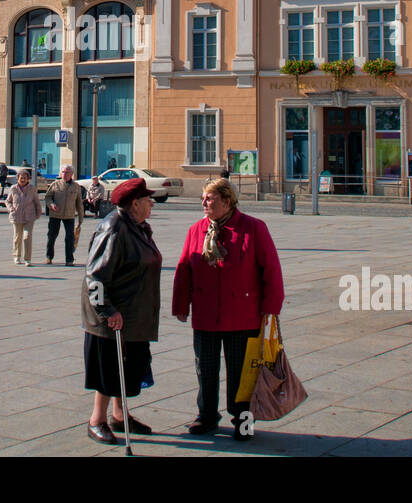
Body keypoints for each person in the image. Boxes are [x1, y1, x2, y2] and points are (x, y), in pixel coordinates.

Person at [172, 179, 285, 440]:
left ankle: (243, 421)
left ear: (227, 201)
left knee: (241, 374)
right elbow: (184, 268)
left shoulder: (253, 228)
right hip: (206, 313)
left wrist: (271, 308)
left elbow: (271, 270)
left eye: (209, 198)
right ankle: (206, 416)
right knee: (205, 369)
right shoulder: (196, 230)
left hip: (241, 315)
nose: (204, 203)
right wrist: (181, 304)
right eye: (203, 198)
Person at [81, 177, 162, 445]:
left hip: (132, 314)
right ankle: (96, 420)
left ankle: (119, 415)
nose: (152, 204)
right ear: (135, 203)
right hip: (112, 317)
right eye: (148, 200)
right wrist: (107, 310)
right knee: (109, 370)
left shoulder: (137, 226)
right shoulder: (114, 228)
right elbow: (95, 276)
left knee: (124, 369)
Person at [44, 164, 85, 266]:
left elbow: (79, 203)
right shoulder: (55, 184)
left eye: (67, 172)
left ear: (71, 174)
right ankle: (49, 256)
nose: (64, 174)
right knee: (52, 236)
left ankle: (69, 259)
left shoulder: (76, 186)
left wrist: (80, 219)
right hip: (55, 214)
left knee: (70, 238)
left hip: (69, 215)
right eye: (63, 172)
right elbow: (48, 197)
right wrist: (51, 205)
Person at [5, 168, 43, 266]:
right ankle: (17, 256)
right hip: (17, 216)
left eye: (25, 178)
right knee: (17, 237)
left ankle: (27, 259)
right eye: (21, 178)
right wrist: (11, 209)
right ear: (17, 178)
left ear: (28, 179)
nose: (23, 180)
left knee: (27, 237)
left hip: (29, 216)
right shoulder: (13, 188)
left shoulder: (32, 188)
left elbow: (36, 202)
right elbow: (8, 201)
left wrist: (38, 213)